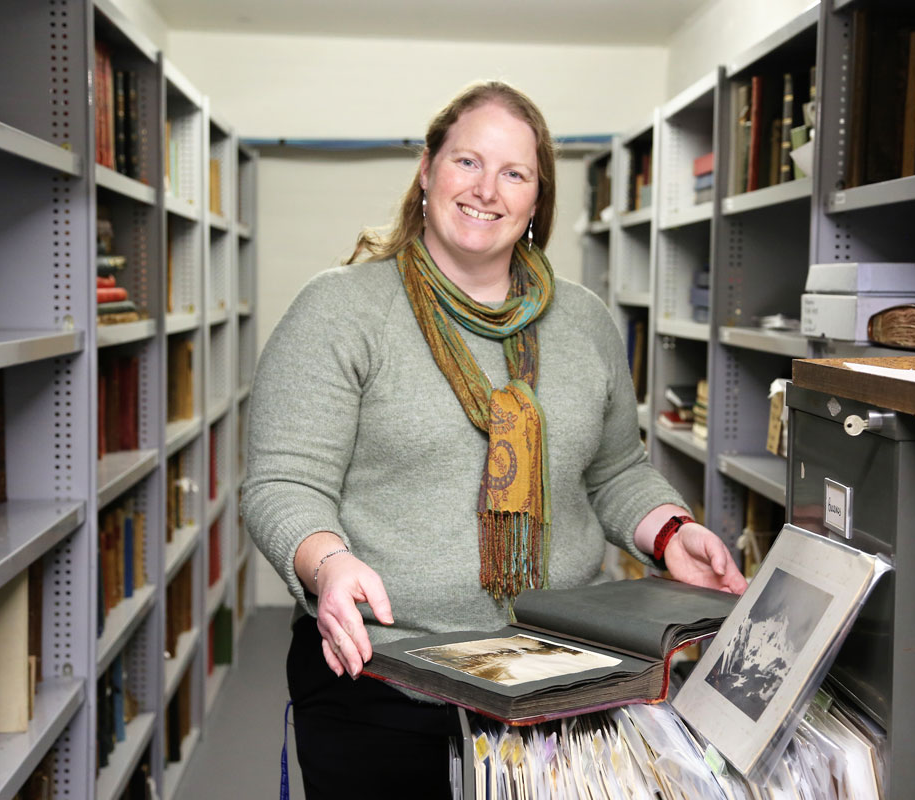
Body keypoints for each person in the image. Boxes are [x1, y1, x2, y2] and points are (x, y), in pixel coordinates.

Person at [242, 80, 747, 799]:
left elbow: (614, 471)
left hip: (565, 678)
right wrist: (326, 565)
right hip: (388, 674)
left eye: (515, 173)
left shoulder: (586, 322)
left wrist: (669, 533)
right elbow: (283, 482)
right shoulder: (340, 310)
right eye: (467, 162)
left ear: (537, 199)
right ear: (427, 170)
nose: (487, 189)